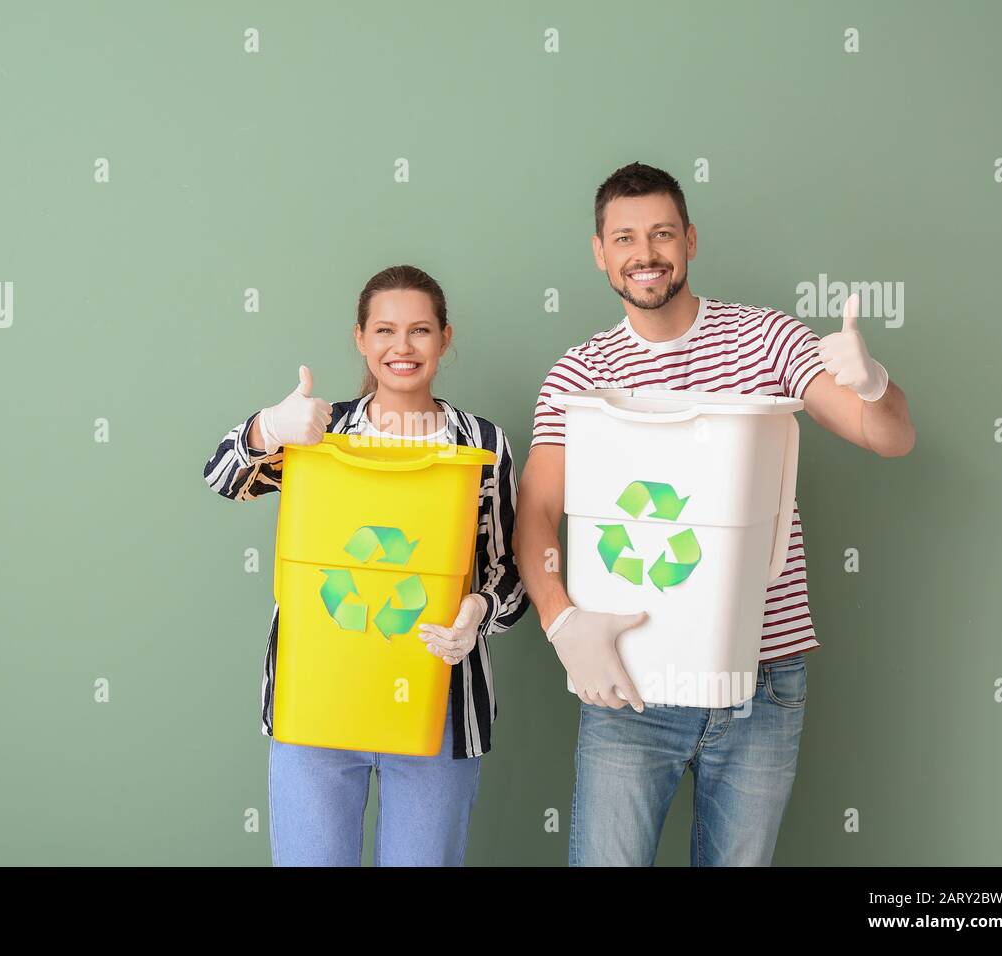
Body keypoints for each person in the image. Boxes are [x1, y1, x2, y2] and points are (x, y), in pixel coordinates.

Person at [513, 162, 917, 866]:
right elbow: (538, 514)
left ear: (691, 241)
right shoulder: (579, 375)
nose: (646, 254)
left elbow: (888, 437)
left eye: (663, 234)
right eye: (626, 238)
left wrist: (874, 384)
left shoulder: (765, 339)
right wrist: (560, 618)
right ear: (600, 251)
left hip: (762, 680)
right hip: (626, 678)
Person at [203, 264, 528, 866]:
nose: (401, 348)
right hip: (317, 703)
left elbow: (510, 575)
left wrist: (478, 611)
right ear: (360, 338)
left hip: (439, 709)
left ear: (445, 338)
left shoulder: (482, 444)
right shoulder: (317, 435)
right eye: (384, 330)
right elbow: (224, 477)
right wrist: (268, 428)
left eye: (420, 331)